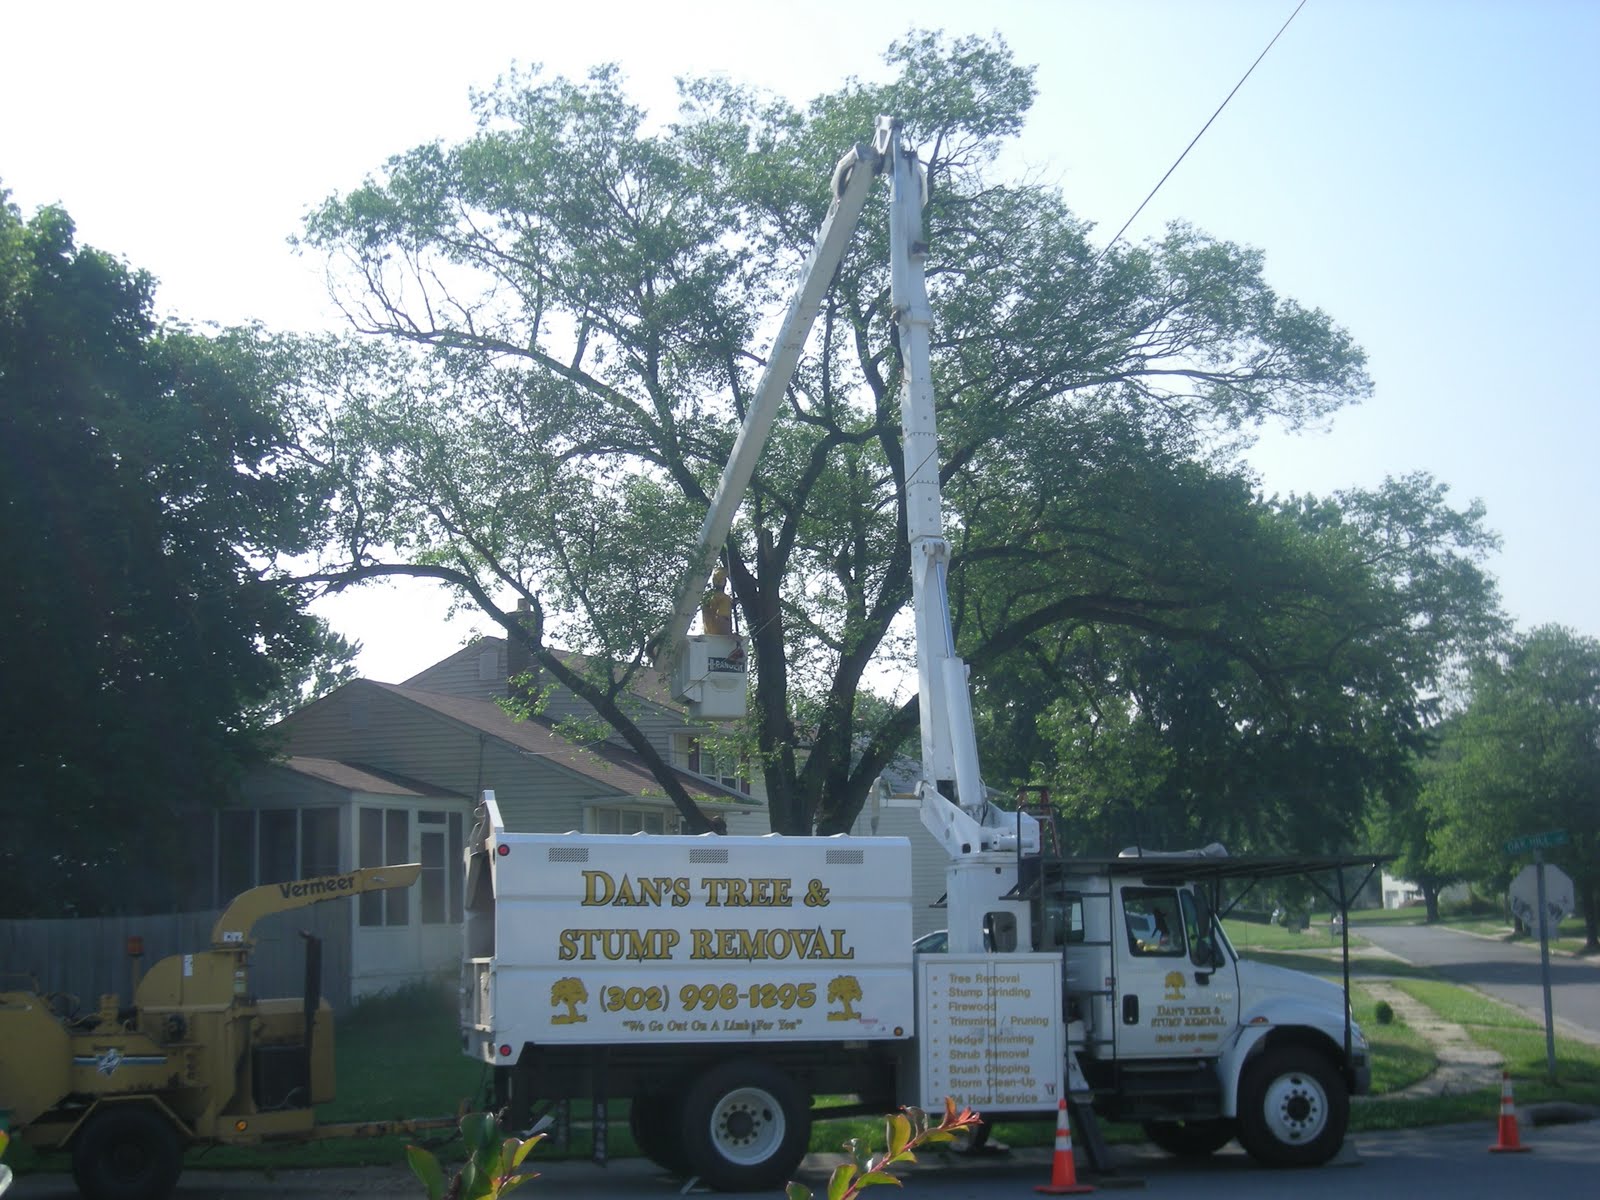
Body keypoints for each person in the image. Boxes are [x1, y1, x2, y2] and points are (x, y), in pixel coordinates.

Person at [701, 567, 734, 635]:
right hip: (721, 638)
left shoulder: (706, 598)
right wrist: (730, 635)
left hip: (709, 637)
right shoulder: (724, 598)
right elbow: (722, 618)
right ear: (724, 582)